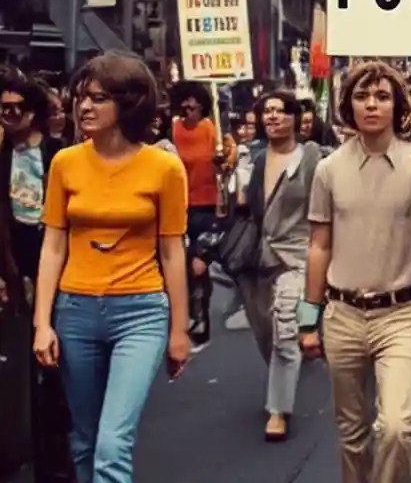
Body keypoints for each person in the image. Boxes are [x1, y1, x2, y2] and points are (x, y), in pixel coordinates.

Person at [32, 52, 191, 483]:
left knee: (111, 443)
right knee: (83, 440)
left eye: (98, 98)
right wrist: (42, 323)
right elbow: (52, 245)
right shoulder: (65, 162)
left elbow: (173, 251)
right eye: (81, 96)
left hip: (140, 313)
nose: (84, 106)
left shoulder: (164, 167)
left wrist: (180, 329)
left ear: (129, 103)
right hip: (75, 311)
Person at [298, 61, 411, 483]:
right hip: (343, 314)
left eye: (381, 96)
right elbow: (319, 245)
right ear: (348, 105)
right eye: (362, 96)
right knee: (352, 434)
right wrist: (309, 320)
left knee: (397, 427)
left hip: (400, 314)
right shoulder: (329, 169)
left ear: (397, 105)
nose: (372, 105)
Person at [237, 91, 322, 442]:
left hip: (296, 257)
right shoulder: (252, 158)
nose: (272, 117)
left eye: (280, 111)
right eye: (266, 111)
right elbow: (238, 208)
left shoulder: (312, 158)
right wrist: (228, 177)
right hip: (256, 259)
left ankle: (278, 410)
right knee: (265, 334)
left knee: (285, 329)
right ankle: (287, 364)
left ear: (294, 118)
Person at [0, 75, 73, 481]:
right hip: (17, 272)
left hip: (62, 269)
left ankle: (59, 462)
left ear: (34, 113)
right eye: (3, 108)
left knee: (58, 370)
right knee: (28, 369)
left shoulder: (59, 155)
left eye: (17, 108)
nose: (10, 116)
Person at [169, 80, 235, 347]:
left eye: (193, 103)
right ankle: (184, 315)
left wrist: (224, 158)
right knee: (181, 266)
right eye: (184, 103)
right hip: (176, 207)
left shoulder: (213, 130)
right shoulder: (171, 131)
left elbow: (230, 159)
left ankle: (200, 313)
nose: (188, 108)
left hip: (206, 207)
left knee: (198, 265)